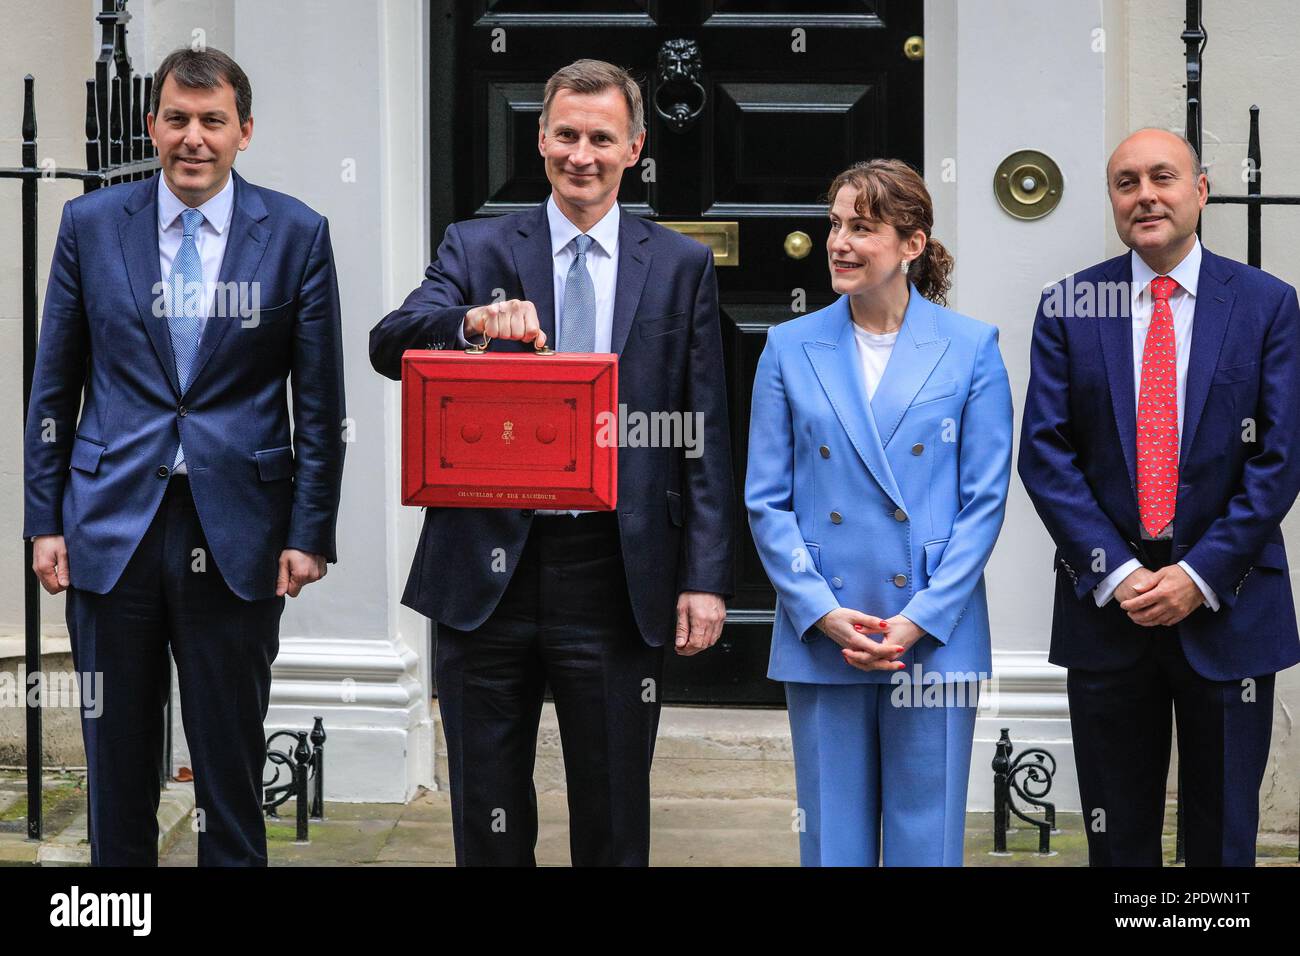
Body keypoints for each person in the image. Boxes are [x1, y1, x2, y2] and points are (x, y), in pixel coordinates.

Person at [369, 59, 734, 866]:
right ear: (539, 139)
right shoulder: (478, 244)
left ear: (634, 147)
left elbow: (700, 430)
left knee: (612, 817)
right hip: (484, 573)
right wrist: (470, 323)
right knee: (488, 812)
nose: (582, 154)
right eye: (566, 135)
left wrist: (705, 576)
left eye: (602, 138)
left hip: (615, 572)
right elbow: (388, 344)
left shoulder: (679, 266)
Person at [23, 47, 346, 866]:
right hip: (109, 529)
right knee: (116, 772)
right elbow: (53, 387)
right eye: (177, 119)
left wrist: (309, 533)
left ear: (244, 131)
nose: (193, 138)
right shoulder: (93, 226)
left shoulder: (298, 234)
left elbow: (319, 404)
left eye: (211, 121)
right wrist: (44, 521)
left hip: (238, 534)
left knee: (229, 768)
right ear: (151, 126)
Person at [1019, 128, 1300, 866]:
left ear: (1200, 191)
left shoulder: (1268, 305)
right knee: (1119, 838)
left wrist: (1198, 574)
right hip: (1108, 611)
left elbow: (1279, 458)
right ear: (1112, 201)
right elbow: (1045, 455)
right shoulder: (1071, 304)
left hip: (1229, 605)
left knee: (1222, 837)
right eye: (1126, 182)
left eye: (1163, 177)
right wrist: (1117, 571)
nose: (1145, 194)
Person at [745, 159, 1012, 866]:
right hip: (826, 628)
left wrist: (918, 618)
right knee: (831, 839)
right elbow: (766, 500)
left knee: (927, 840)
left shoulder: (971, 349)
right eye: (834, 224)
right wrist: (821, 612)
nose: (838, 242)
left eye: (861, 227)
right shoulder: (788, 348)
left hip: (932, 633)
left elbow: (982, 503)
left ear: (911, 244)